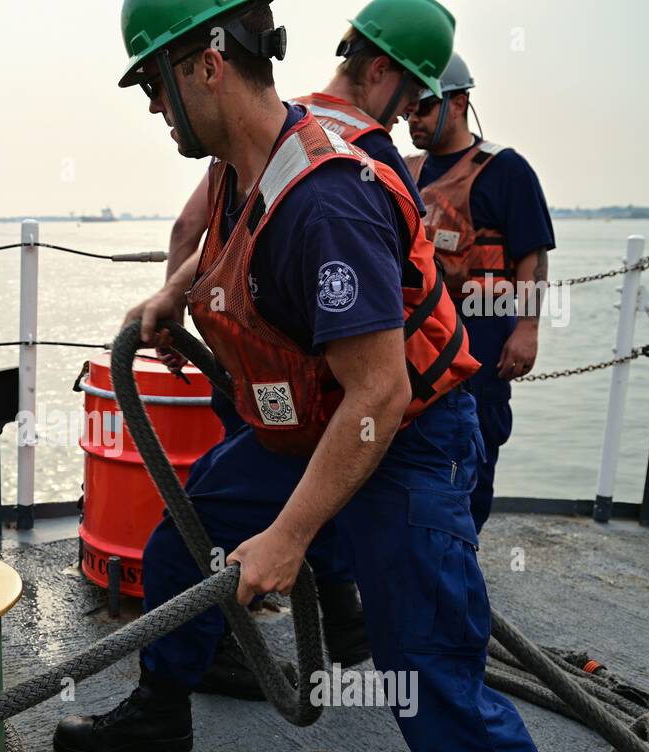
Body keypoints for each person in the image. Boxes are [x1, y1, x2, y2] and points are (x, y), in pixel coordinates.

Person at [53, 0, 586, 752]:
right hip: (315, 428)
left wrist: (289, 538)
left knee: (429, 687)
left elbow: (379, 390)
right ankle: (160, 715)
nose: (152, 105)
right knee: (177, 547)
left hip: (403, 437)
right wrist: (173, 292)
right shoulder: (252, 155)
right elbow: (225, 231)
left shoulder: (331, 200)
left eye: (154, 81)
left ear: (209, 64)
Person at [159, 0, 455, 686]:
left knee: (435, 668)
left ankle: (341, 624)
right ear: (384, 71)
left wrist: (173, 293)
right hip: (317, 398)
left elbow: (192, 233)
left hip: (370, 411)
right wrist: (173, 298)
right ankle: (336, 626)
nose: (409, 114)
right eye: (411, 95)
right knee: (207, 522)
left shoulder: (294, 136)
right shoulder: (327, 151)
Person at [405, 54, 555, 529]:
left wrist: (527, 329)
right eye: (408, 109)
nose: (414, 120)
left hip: (484, 340)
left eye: (425, 107)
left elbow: (533, 258)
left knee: (477, 448)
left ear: (460, 101)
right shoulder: (403, 171)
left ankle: (462, 557)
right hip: (418, 341)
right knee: (413, 452)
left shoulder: (507, 171)